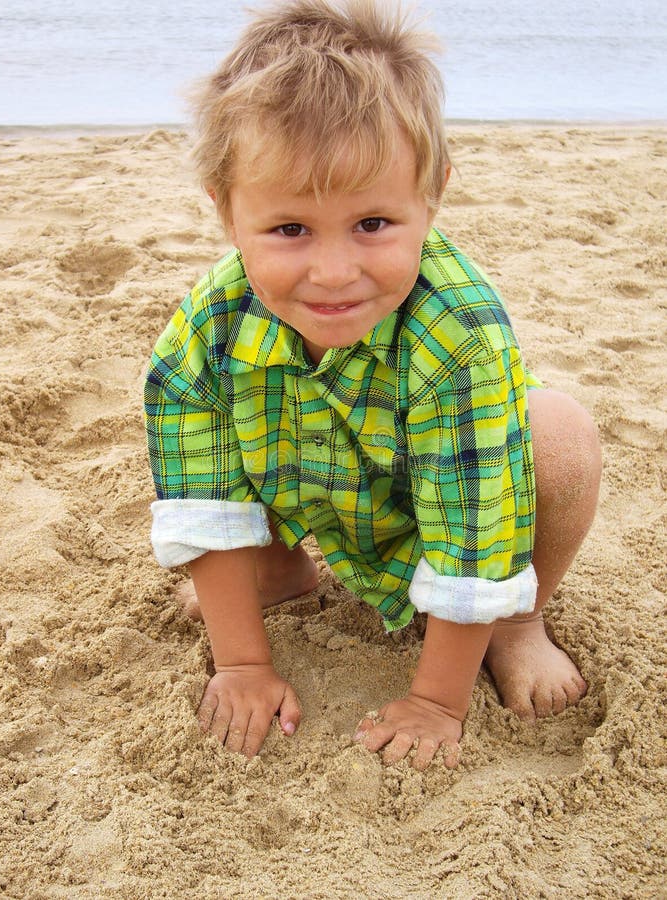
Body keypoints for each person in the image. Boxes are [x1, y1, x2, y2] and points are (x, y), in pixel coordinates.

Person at [144, 0, 601, 770]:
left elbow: (472, 528)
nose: (332, 273)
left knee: (560, 434)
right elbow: (204, 496)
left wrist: (434, 702)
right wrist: (243, 665)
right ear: (227, 211)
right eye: (289, 229)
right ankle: (284, 568)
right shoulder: (203, 332)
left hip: (451, 509)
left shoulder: (458, 339)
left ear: (431, 194)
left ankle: (518, 621)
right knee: (241, 437)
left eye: (372, 225)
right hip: (314, 487)